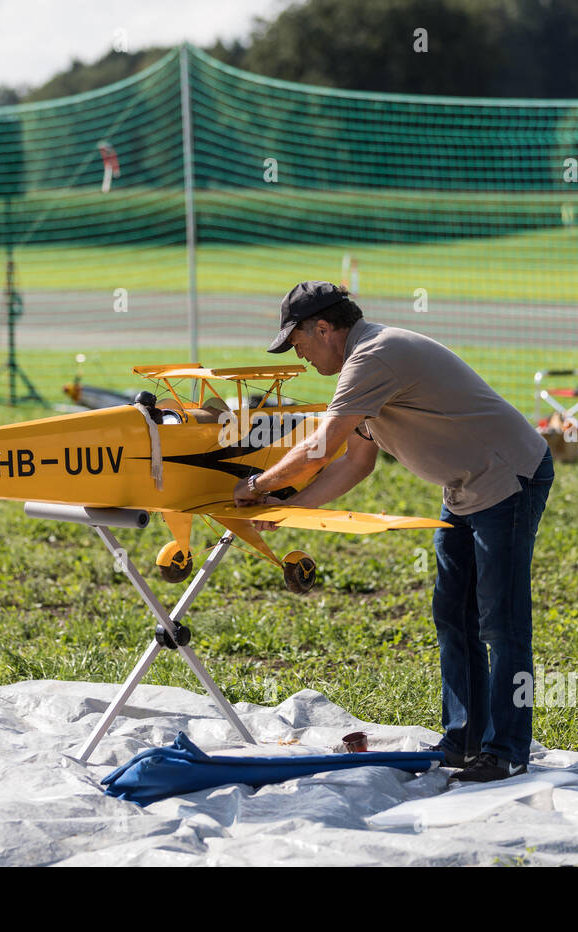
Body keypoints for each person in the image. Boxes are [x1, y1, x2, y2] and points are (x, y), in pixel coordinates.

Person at [232, 281, 553, 782]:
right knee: (452, 613)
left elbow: (322, 445)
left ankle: (507, 750)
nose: (299, 353)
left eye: (298, 342)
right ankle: (465, 740)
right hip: (465, 489)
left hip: (509, 477)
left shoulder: (374, 356)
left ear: (323, 328)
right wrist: (284, 507)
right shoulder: (364, 366)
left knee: (501, 622)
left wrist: (258, 484)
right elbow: (355, 465)